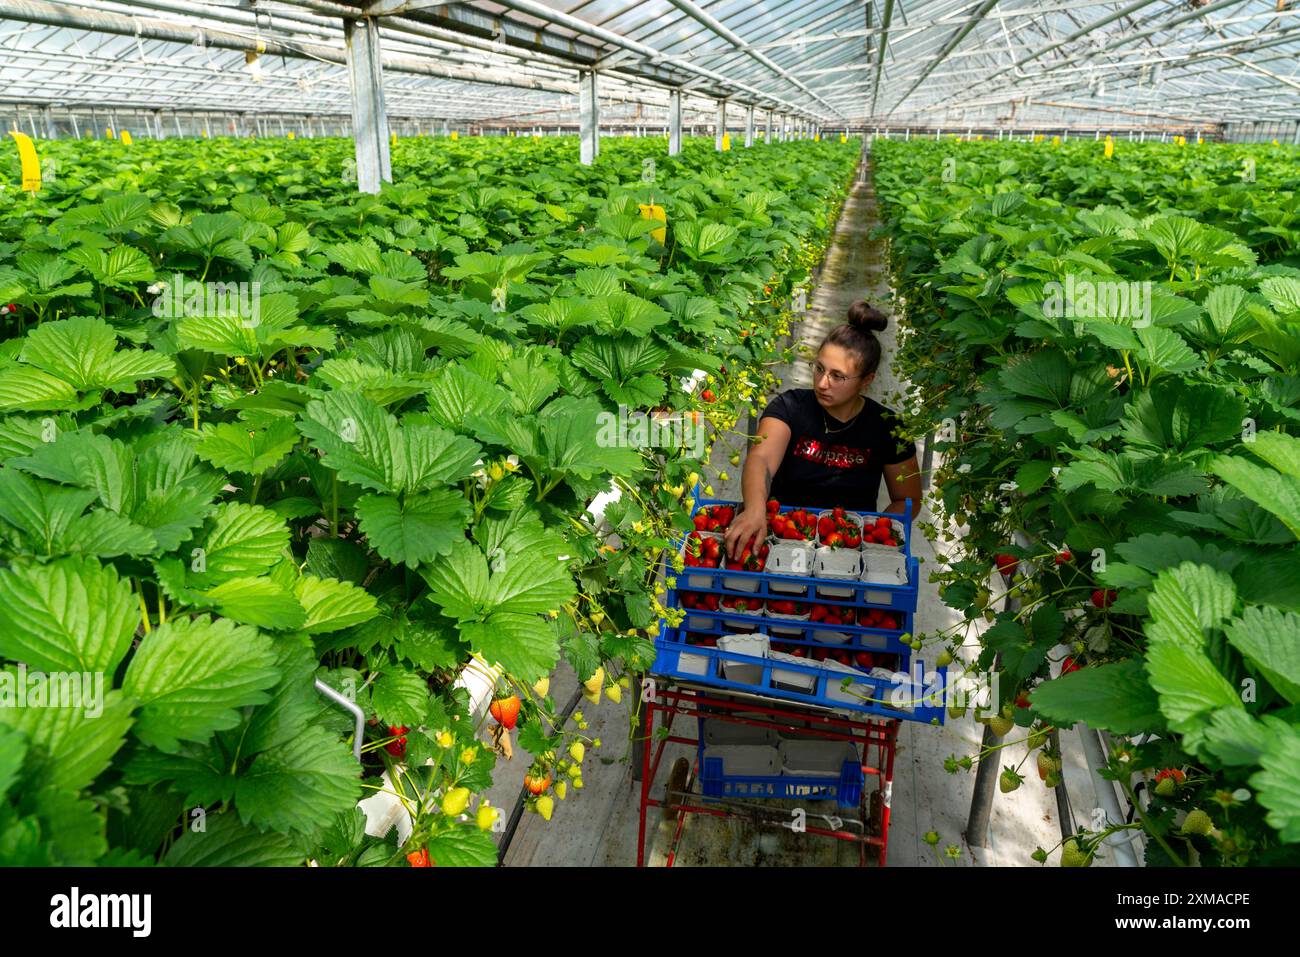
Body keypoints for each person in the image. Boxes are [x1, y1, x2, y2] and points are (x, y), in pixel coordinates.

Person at [723, 300, 922, 559]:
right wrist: (755, 509)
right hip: (782, 535)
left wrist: (871, 535)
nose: (822, 383)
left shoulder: (888, 427)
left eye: (837, 376)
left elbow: (908, 499)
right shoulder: (790, 407)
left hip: (845, 546)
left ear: (867, 380)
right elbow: (761, 458)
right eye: (819, 368)